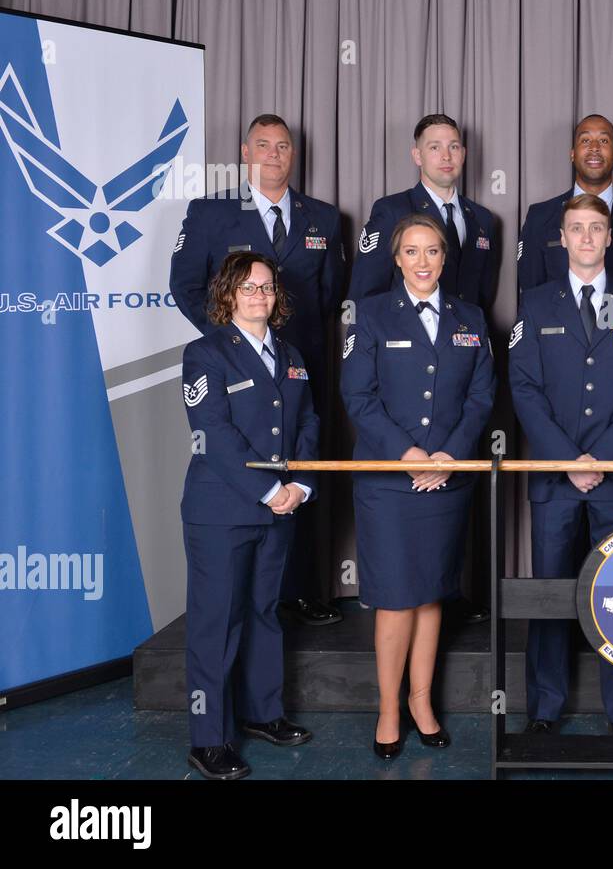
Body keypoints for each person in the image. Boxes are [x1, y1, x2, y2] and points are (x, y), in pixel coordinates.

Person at [170, 113, 345, 628]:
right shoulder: (210, 211)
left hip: (299, 369)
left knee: (301, 465)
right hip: (236, 372)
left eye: (283, 147)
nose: (274, 154)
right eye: (263, 145)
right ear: (245, 153)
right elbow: (185, 286)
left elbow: (330, 294)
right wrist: (237, 342)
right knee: (243, 468)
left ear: (294, 156)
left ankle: (306, 590)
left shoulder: (324, 218)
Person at [509, 194, 613, 735]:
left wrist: (604, 458)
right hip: (555, 478)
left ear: (609, 236)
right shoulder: (535, 302)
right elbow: (524, 389)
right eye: (575, 228)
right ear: (561, 236)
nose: (585, 238)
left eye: (595, 228)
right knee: (552, 591)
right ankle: (545, 710)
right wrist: (567, 459)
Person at [340, 213, 496, 757]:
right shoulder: (372, 316)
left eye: (432, 251)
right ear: (396, 258)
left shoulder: (471, 317)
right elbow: (358, 397)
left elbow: (480, 397)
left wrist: (449, 455)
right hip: (389, 481)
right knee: (395, 597)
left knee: (430, 594)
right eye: (412, 251)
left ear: (445, 257)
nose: (423, 261)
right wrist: (407, 455)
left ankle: (421, 702)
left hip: (449, 478)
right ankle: (388, 709)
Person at [179, 251, 319, 780]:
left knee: (264, 613)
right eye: (248, 288)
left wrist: (301, 484)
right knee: (217, 624)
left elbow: (308, 422)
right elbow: (211, 432)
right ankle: (208, 739)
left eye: (266, 287)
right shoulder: (205, 353)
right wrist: (268, 489)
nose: (259, 296)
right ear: (227, 296)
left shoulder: (293, 354)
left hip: (282, 507)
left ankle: (264, 713)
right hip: (222, 510)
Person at [348, 113, 501, 311]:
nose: (446, 156)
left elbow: (483, 296)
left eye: (453, 147)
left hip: (465, 336)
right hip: (406, 335)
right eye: (435, 147)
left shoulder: (482, 219)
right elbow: (365, 293)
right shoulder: (392, 211)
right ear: (418, 156)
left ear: (463, 154)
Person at [517, 114, 613, 295]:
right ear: (572, 153)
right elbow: (531, 297)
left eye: (603, 141)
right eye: (585, 140)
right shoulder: (539, 218)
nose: (594, 148)